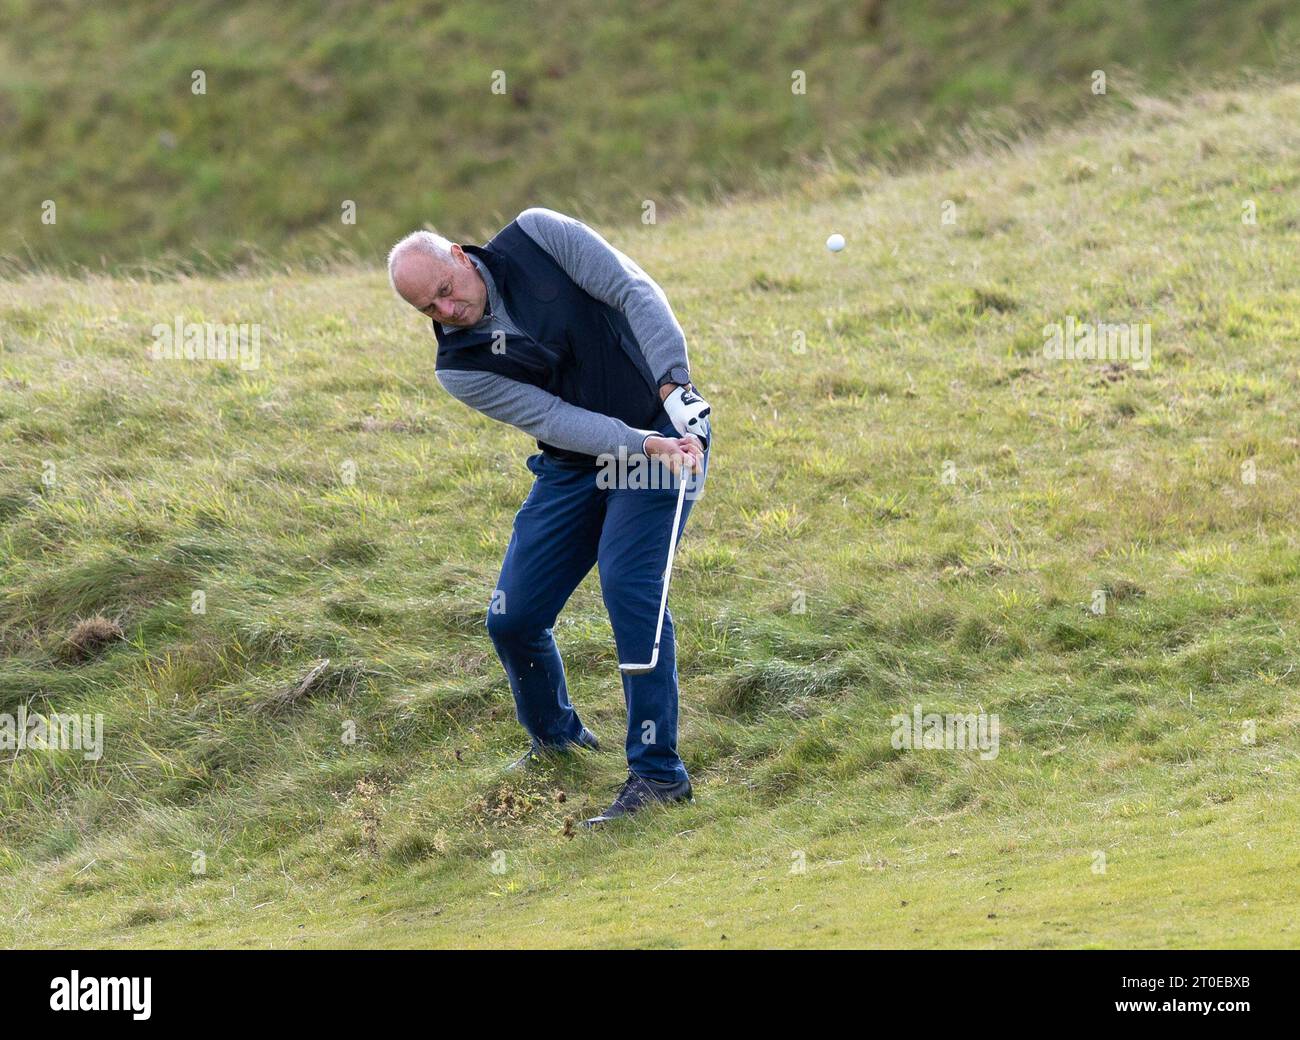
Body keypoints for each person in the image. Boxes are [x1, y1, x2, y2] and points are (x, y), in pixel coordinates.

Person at [388, 208, 712, 826]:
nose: (447, 313)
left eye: (447, 291)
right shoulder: (459, 368)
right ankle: (557, 741)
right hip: (579, 462)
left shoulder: (539, 235)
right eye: (428, 310)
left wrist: (674, 388)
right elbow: (554, 420)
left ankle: (658, 774)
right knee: (513, 617)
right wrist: (638, 442)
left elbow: (632, 290)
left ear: (459, 255)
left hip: (667, 441)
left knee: (630, 590)